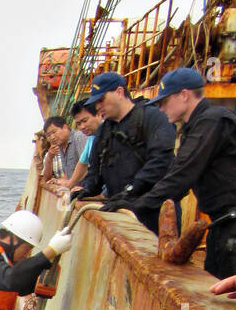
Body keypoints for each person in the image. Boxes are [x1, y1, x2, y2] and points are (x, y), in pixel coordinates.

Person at [117, 67, 236, 278]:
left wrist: (136, 207)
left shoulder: (212, 121)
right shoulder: (198, 125)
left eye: (164, 102)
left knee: (235, 298)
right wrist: (129, 199)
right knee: (215, 288)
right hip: (224, 225)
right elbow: (175, 174)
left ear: (184, 95)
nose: (161, 109)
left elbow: (181, 177)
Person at [71, 71, 176, 233]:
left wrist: (131, 190)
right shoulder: (104, 130)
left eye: (101, 100)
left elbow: (160, 160)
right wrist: (87, 189)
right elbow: (95, 168)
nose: (98, 106)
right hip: (122, 211)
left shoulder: (153, 118)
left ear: (119, 92)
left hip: (155, 210)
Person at [59, 98, 104, 194]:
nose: (82, 127)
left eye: (85, 121)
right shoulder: (92, 137)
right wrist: (69, 185)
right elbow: (83, 163)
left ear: (99, 114)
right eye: (78, 124)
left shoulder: (110, 133)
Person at [40, 116, 84, 184]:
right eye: (48, 135)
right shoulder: (61, 146)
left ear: (65, 127)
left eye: (54, 132)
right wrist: (59, 181)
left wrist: (71, 183)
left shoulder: (79, 138)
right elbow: (70, 174)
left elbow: (88, 167)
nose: (52, 137)